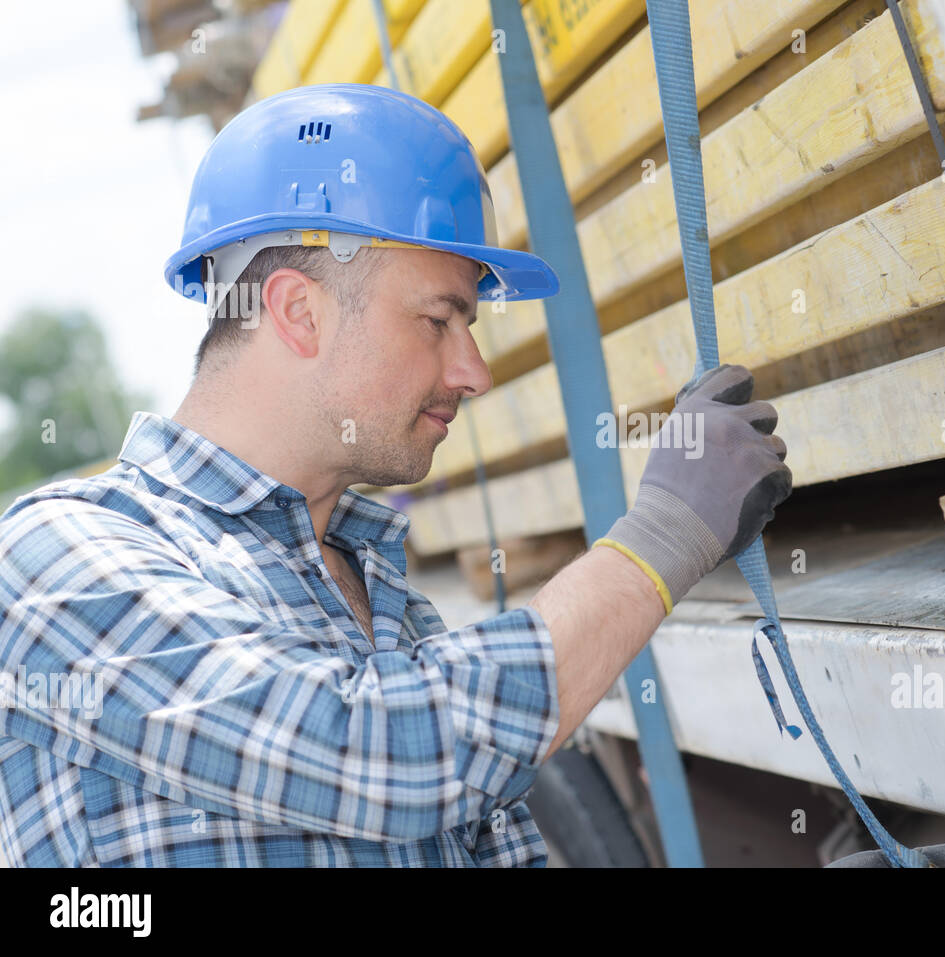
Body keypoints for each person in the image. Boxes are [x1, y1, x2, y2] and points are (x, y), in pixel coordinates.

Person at [0, 84, 791, 867]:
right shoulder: (57, 556)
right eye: (438, 320)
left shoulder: (391, 609)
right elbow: (375, 751)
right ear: (298, 312)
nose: (473, 371)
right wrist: (659, 538)